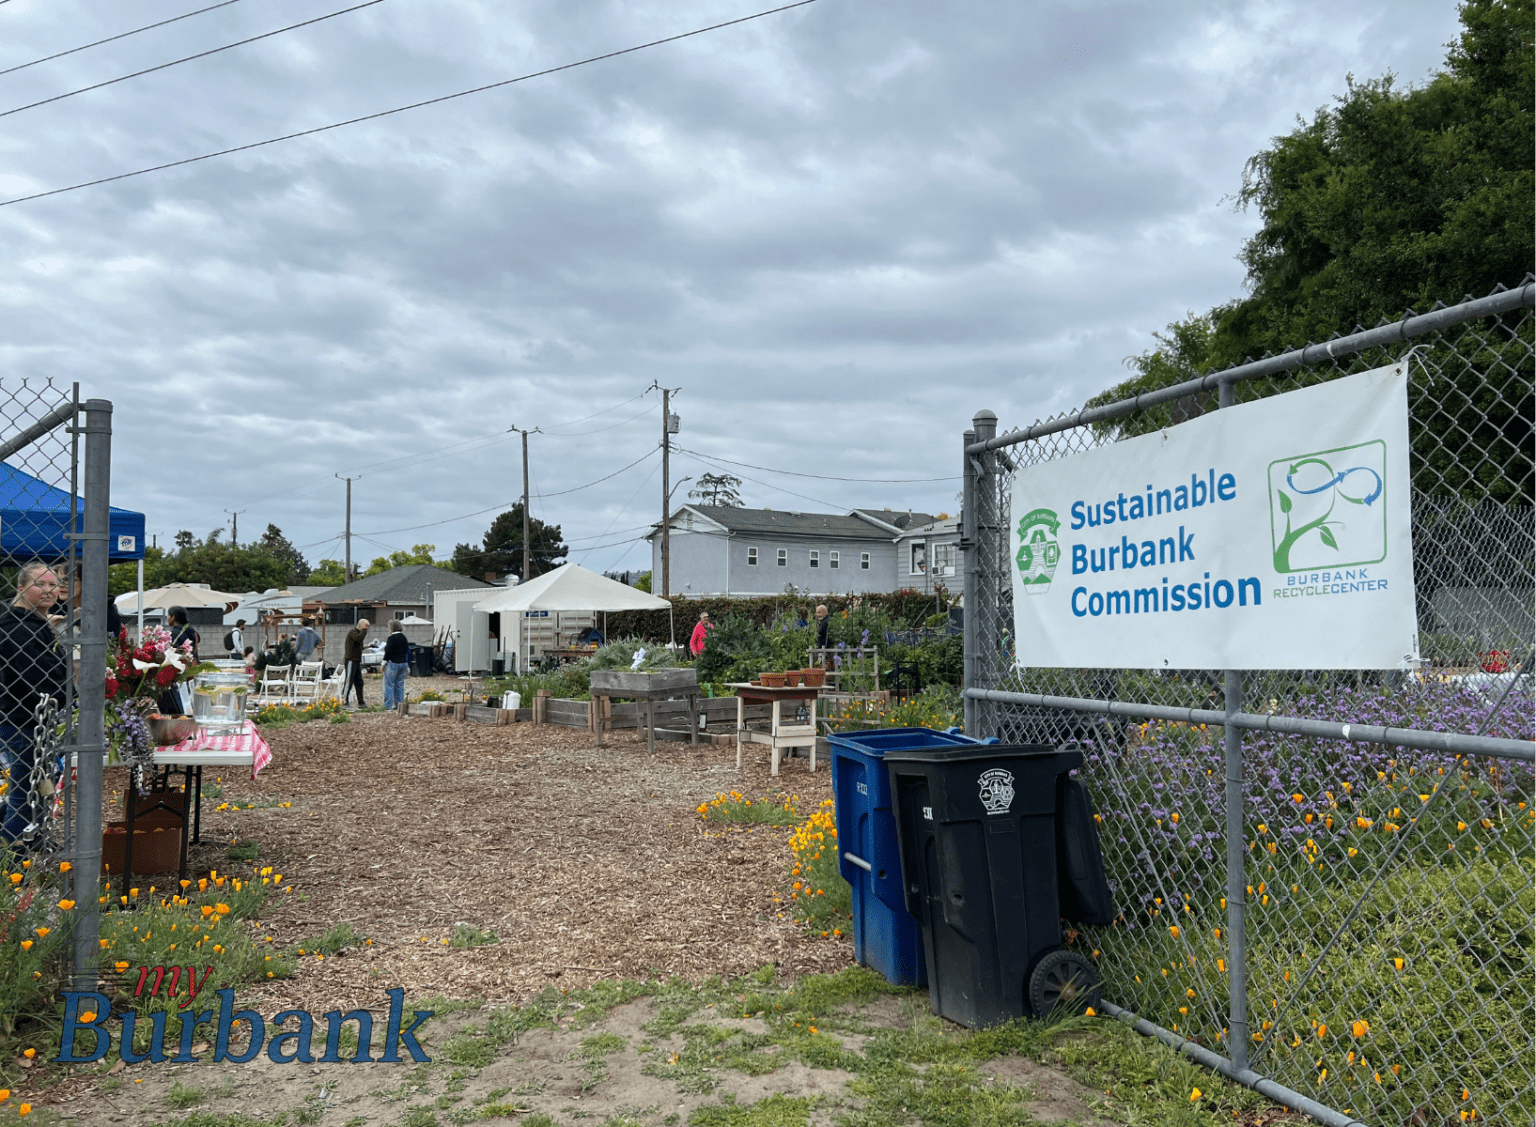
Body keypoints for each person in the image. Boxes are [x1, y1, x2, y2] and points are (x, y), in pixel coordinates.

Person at [0, 563, 68, 847]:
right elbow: (34, 681)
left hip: (28, 721)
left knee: (35, 788)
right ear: (20, 588)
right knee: (23, 797)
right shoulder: (18, 629)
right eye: (41, 584)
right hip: (23, 721)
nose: (49, 590)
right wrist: (67, 690)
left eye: (54, 585)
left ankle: (26, 841)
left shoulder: (31, 622)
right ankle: (13, 862)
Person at [382, 619, 410, 710]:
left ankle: (388, 706)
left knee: (389, 684)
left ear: (391, 628)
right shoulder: (404, 637)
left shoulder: (391, 638)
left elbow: (388, 652)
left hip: (393, 663)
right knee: (400, 685)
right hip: (403, 663)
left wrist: (383, 663)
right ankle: (399, 705)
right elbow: (406, 650)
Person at [342, 619, 369, 708]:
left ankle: (361, 702)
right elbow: (358, 638)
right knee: (349, 681)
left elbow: (359, 646)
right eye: (366, 626)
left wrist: (369, 646)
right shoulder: (352, 632)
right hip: (351, 660)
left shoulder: (358, 634)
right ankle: (344, 701)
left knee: (359, 682)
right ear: (361, 625)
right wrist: (364, 630)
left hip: (356, 660)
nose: (367, 628)